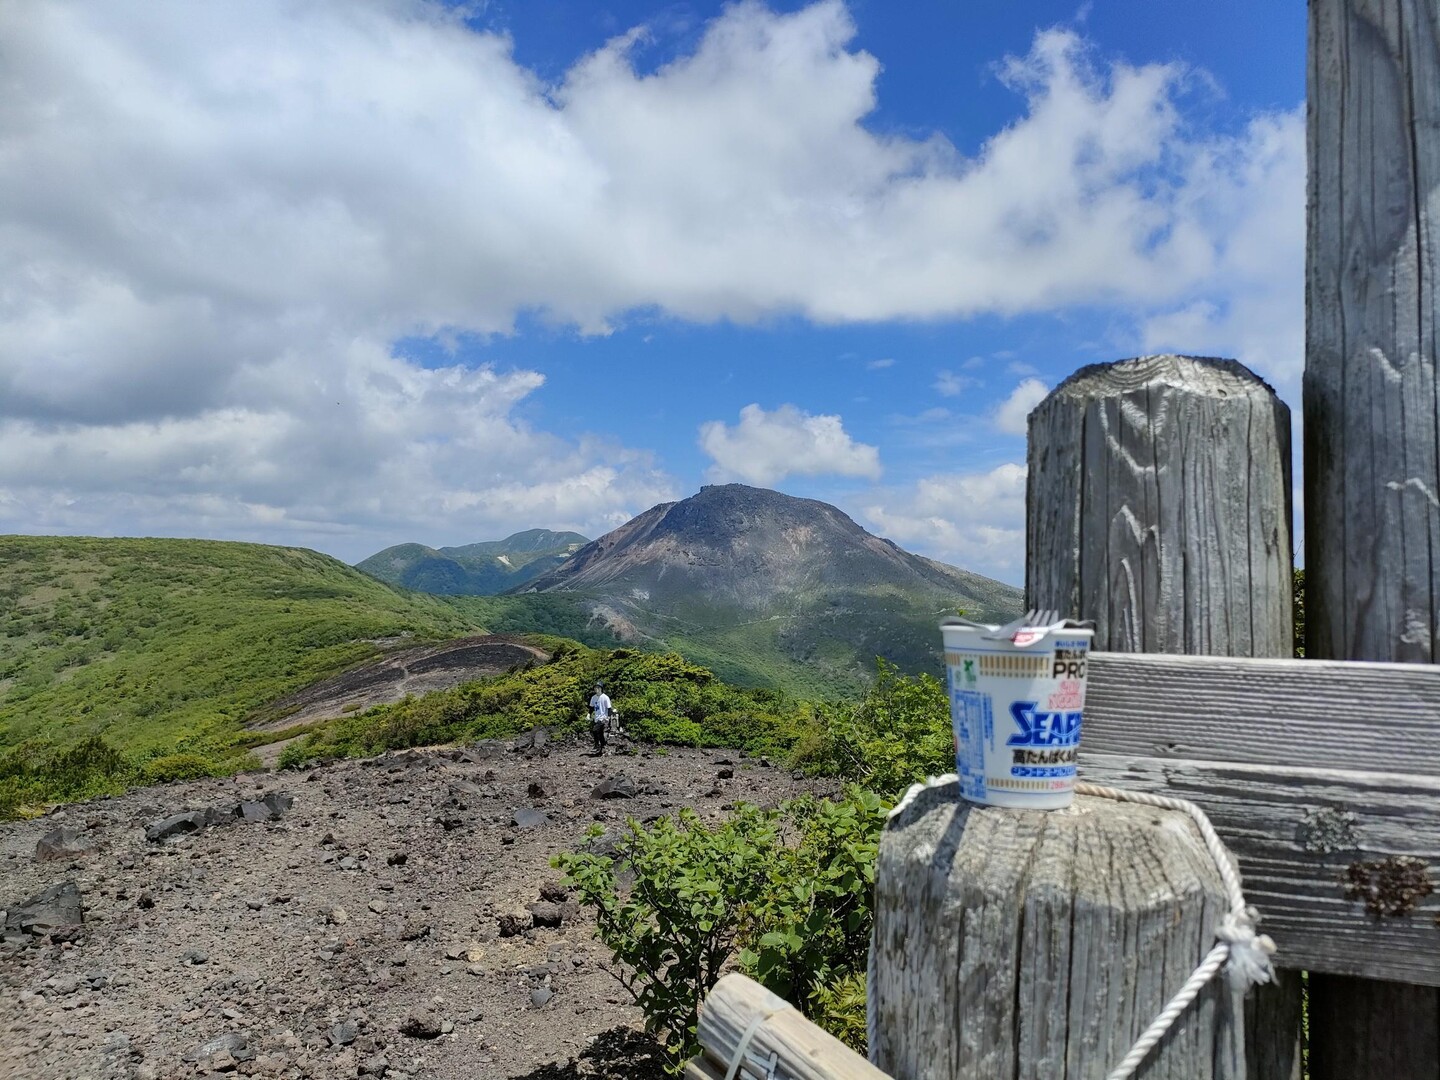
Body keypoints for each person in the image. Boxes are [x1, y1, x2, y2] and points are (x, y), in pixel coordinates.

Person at [588, 682, 613, 754]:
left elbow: (609, 708)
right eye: (595, 688)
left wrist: (608, 717)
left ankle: (597, 745)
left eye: (598, 688)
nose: (596, 689)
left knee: (595, 730)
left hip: (603, 718)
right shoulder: (593, 698)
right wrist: (589, 714)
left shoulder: (605, 697)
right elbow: (591, 707)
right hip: (597, 718)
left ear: (601, 689)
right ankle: (603, 745)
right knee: (600, 733)